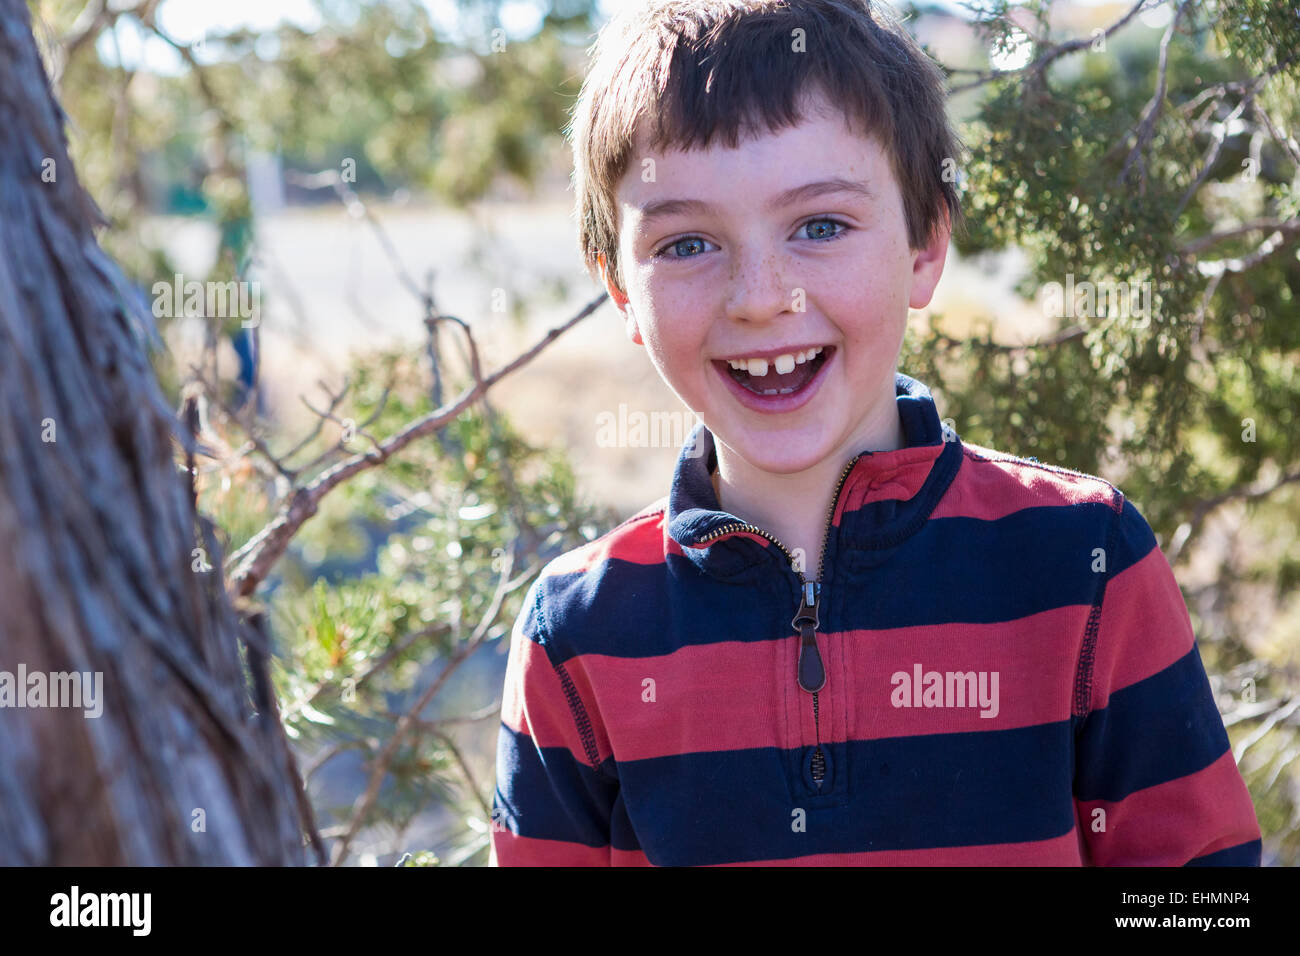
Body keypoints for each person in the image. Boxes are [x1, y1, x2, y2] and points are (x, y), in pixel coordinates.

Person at [489, 0, 1262, 865]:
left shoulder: (1083, 563)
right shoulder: (580, 636)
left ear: (927, 241)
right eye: (687, 244)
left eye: (820, 226)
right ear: (620, 286)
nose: (759, 295)